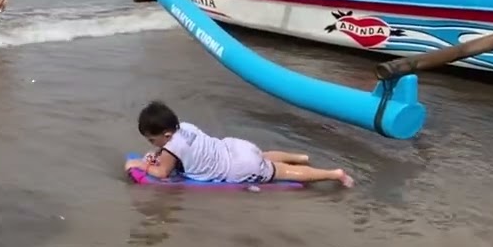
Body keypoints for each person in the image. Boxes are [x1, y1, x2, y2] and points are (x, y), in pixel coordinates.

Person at [125, 100, 353, 187]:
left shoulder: (171, 148)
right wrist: (158, 152)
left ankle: (334, 174)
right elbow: (174, 151)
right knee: (264, 156)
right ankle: (299, 156)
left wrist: (139, 164)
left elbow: (163, 172)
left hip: (239, 167)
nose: (152, 144)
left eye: (152, 140)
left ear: (165, 135)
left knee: (284, 173)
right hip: (235, 148)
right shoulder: (185, 127)